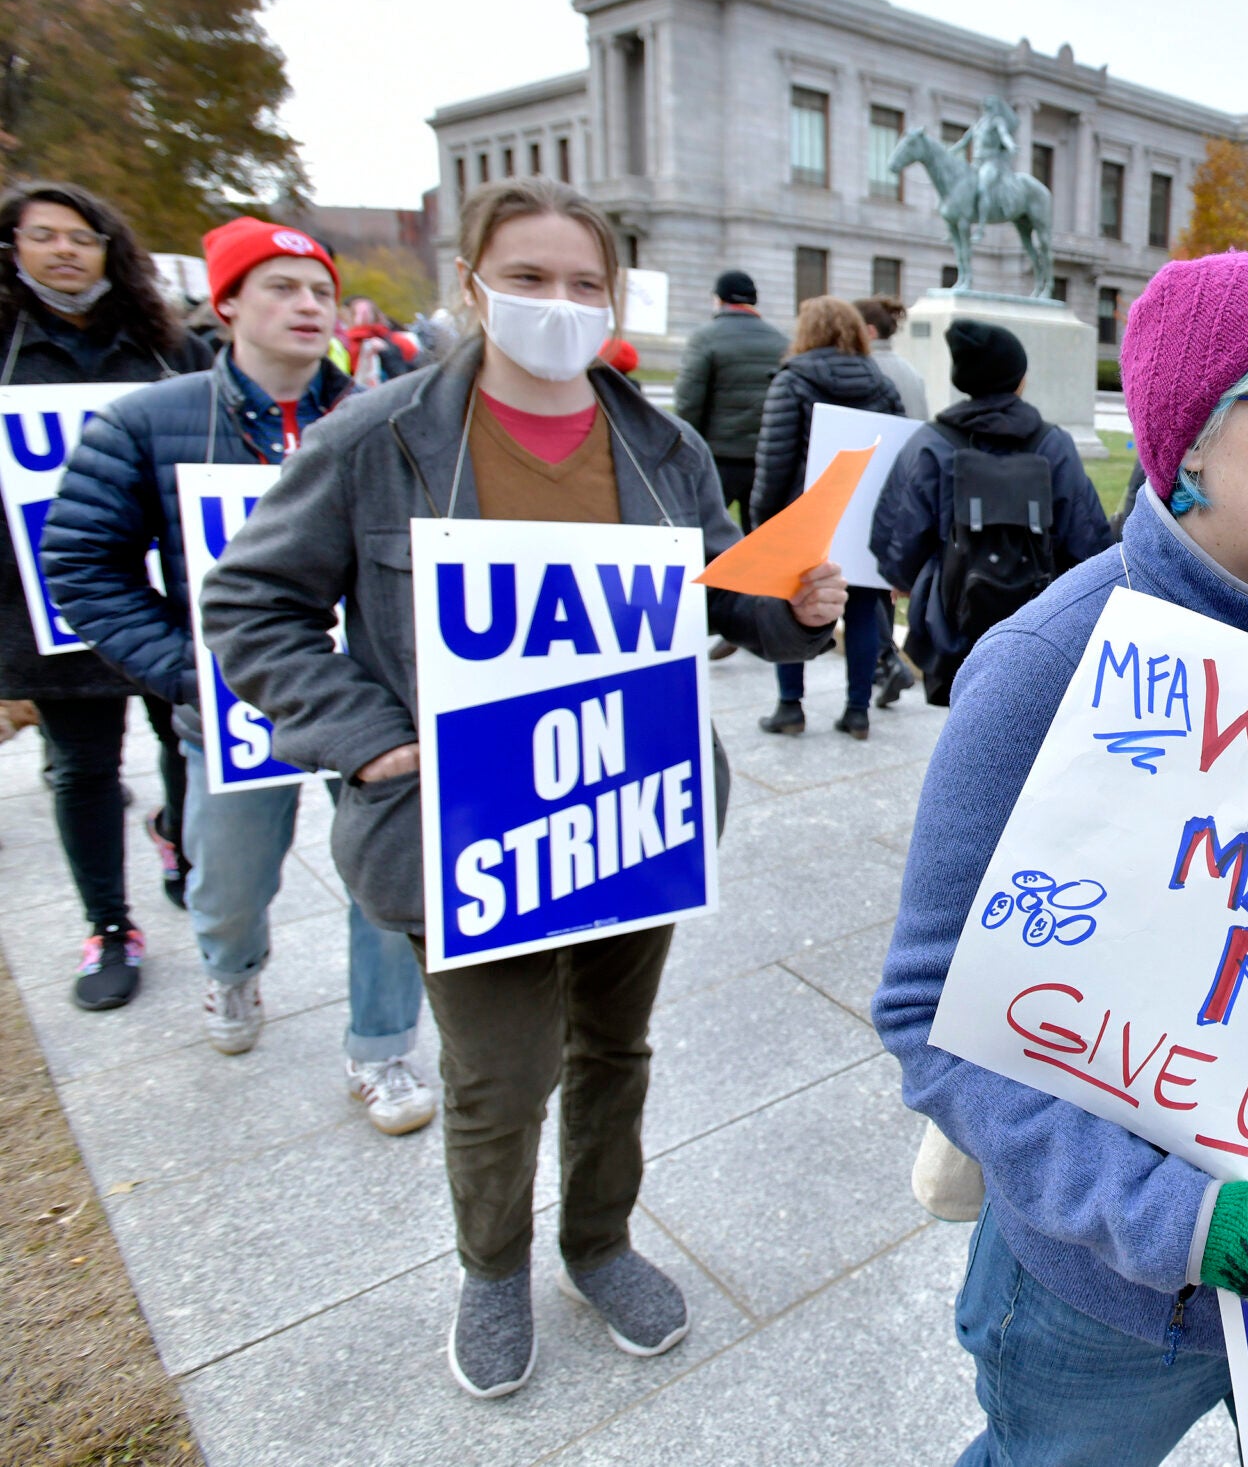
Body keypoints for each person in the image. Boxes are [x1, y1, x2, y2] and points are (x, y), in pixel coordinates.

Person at [200, 178, 846, 1400]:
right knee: (498, 1074)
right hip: (470, 829)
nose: (559, 304)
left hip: (631, 811)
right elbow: (248, 602)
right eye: (531, 279)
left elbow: (723, 597)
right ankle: (491, 1267)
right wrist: (365, 730)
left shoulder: (663, 449)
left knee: (616, 1048)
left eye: (584, 283)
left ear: (615, 298)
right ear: (475, 288)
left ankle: (597, 1244)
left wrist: (795, 609)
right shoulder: (376, 438)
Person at [871, 250, 1248, 1465]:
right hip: (1105, 1306)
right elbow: (925, 1008)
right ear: (1191, 441)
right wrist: (1177, 1221)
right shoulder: (1042, 667)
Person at [42, 218, 435, 1132]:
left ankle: (382, 1048)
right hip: (229, 711)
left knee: (390, 880)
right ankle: (231, 973)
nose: (308, 308)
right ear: (225, 304)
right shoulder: (146, 419)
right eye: (281, 289)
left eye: (321, 293)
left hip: (373, 706)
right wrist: (184, 670)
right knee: (228, 884)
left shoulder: (389, 422)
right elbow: (83, 564)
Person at [0, 182, 211, 1009]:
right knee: (82, 766)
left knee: (185, 740)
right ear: (13, 248)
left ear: (109, 249)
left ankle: (179, 842)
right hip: (46, 603)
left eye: (82, 237)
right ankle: (109, 925)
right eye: (43, 236)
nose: (64, 251)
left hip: (166, 593)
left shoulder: (167, 347)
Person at [870, 319, 1111, 705]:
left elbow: (897, 546)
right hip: (1037, 627)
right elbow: (1088, 545)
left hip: (950, 629)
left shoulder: (931, 443)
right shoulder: (1053, 444)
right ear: (1019, 379)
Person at [748, 295, 905, 737]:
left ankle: (789, 707)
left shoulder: (790, 381)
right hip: (863, 517)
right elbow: (899, 459)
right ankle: (858, 711)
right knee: (859, 612)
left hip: (805, 515)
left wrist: (763, 521)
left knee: (792, 606)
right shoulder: (882, 384)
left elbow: (774, 460)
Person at [853, 295, 926, 709]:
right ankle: (886, 659)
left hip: (871, 489)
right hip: (906, 491)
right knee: (880, 586)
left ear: (867, 330)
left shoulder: (869, 371)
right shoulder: (910, 373)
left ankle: (886, 658)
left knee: (865, 587)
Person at [672, 268, 783, 515]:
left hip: (718, 455)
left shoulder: (705, 337)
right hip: (765, 457)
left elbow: (689, 400)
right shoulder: (780, 340)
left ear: (720, 299)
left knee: (703, 531)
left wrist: (685, 447)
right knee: (757, 538)